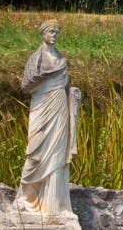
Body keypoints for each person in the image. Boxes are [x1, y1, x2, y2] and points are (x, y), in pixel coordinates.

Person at [16, 20, 81, 219]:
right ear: (43, 33)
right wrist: (43, 77)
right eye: (51, 31)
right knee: (34, 153)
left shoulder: (62, 59)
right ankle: (25, 197)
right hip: (41, 106)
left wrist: (75, 96)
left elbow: (67, 87)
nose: (54, 35)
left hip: (59, 106)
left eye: (57, 32)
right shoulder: (36, 58)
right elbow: (25, 86)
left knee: (56, 155)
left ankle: (52, 208)